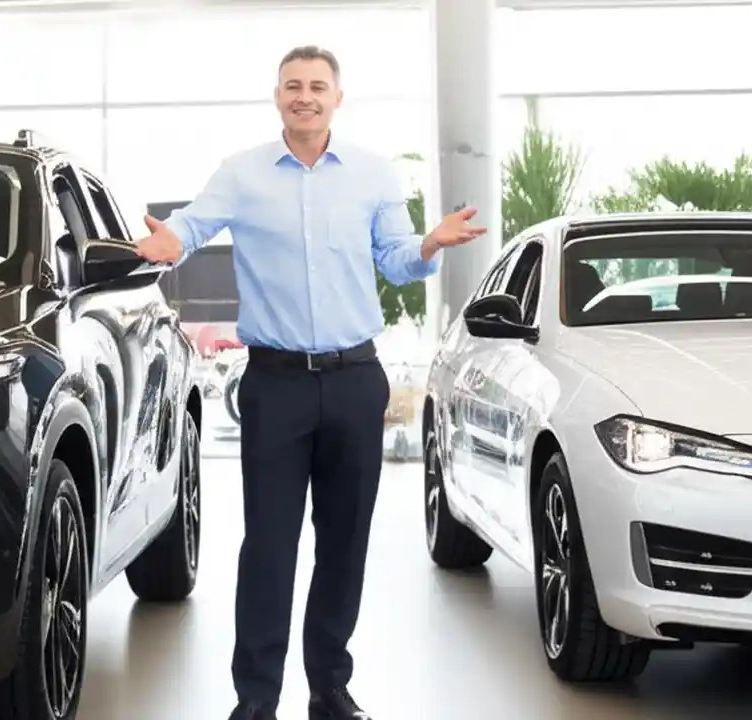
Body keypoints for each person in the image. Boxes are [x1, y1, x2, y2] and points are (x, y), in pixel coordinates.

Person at [134, 46, 487, 720]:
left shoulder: (373, 174)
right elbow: (193, 223)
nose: (305, 96)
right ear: (277, 96)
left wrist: (431, 244)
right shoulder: (240, 174)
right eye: (294, 85)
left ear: (337, 98)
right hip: (275, 385)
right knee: (268, 543)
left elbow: (397, 259)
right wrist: (167, 242)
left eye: (317, 86)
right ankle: (256, 700)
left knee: (345, 540)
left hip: (356, 379)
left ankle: (329, 686)